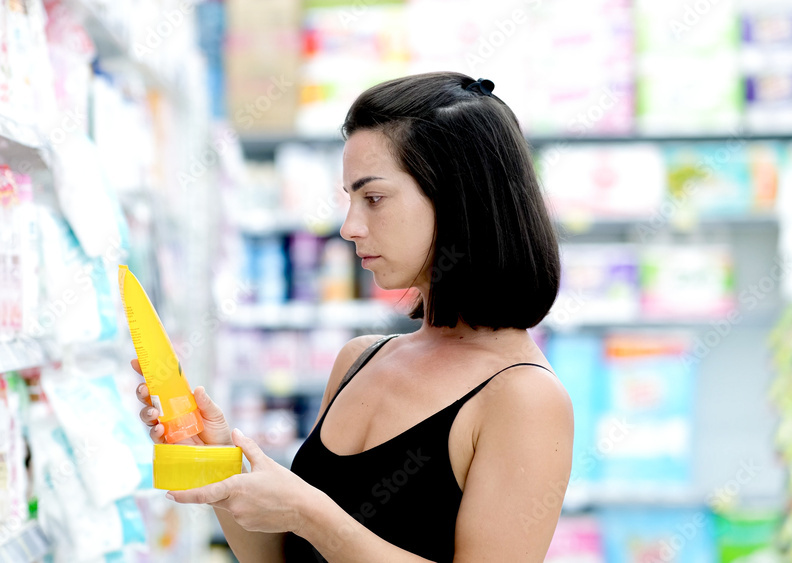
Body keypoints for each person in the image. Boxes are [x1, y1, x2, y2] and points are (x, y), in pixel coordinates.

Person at [133, 71, 573, 562]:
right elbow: (284, 558)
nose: (349, 226)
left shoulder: (524, 397)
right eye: (349, 198)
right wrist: (213, 459)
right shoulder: (359, 359)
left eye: (374, 198)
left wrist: (309, 512)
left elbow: (317, 525)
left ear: (458, 198)